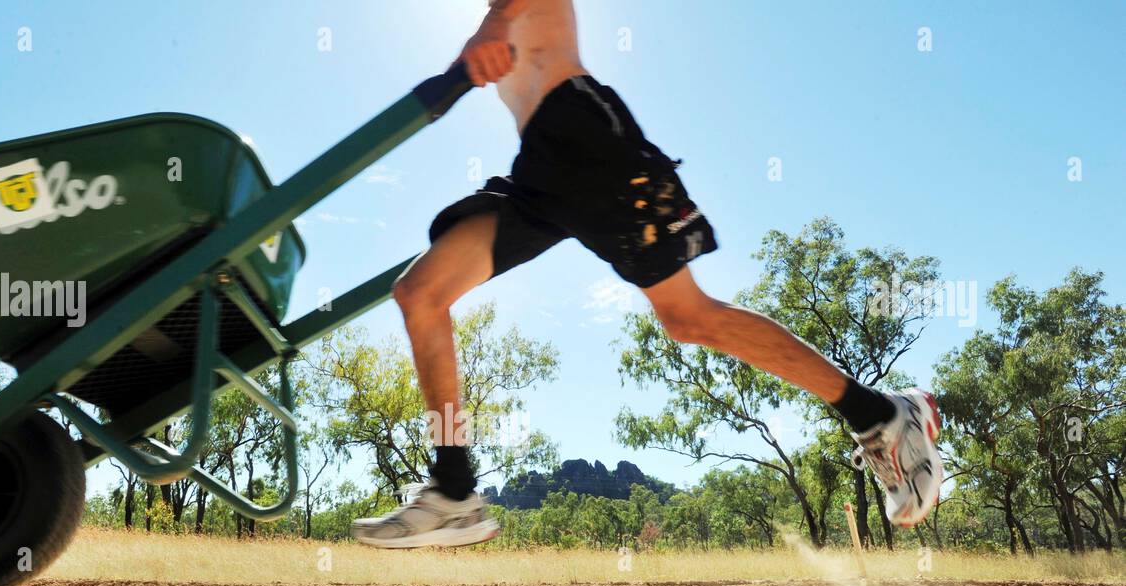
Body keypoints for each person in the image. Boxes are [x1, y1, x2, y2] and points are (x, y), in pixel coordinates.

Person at [353, 0, 942, 548]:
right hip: (539, 173)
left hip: (588, 137)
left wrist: (489, 30)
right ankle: (455, 489)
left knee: (688, 317)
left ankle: (880, 413)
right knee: (420, 292)